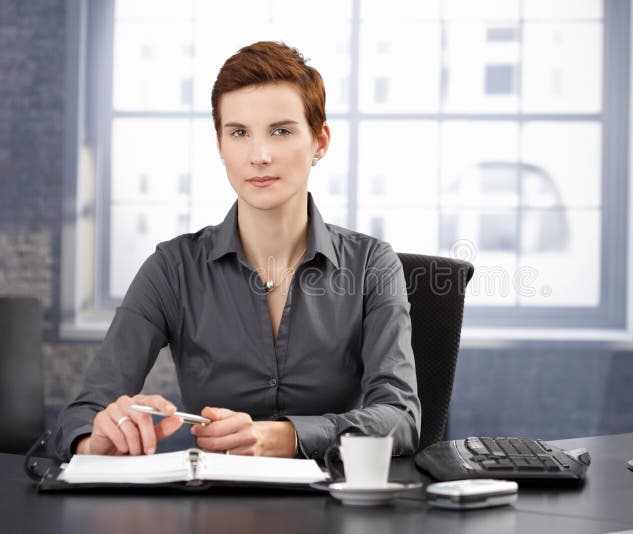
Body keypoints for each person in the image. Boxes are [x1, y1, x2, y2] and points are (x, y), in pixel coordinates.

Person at [54, 41, 421, 461]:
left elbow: (400, 419)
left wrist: (283, 437)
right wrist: (93, 440)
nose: (259, 156)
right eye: (239, 133)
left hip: (336, 507)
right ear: (220, 144)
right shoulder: (172, 269)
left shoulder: (373, 264)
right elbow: (83, 412)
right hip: (214, 511)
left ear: (320, 141)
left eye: (281, 131)